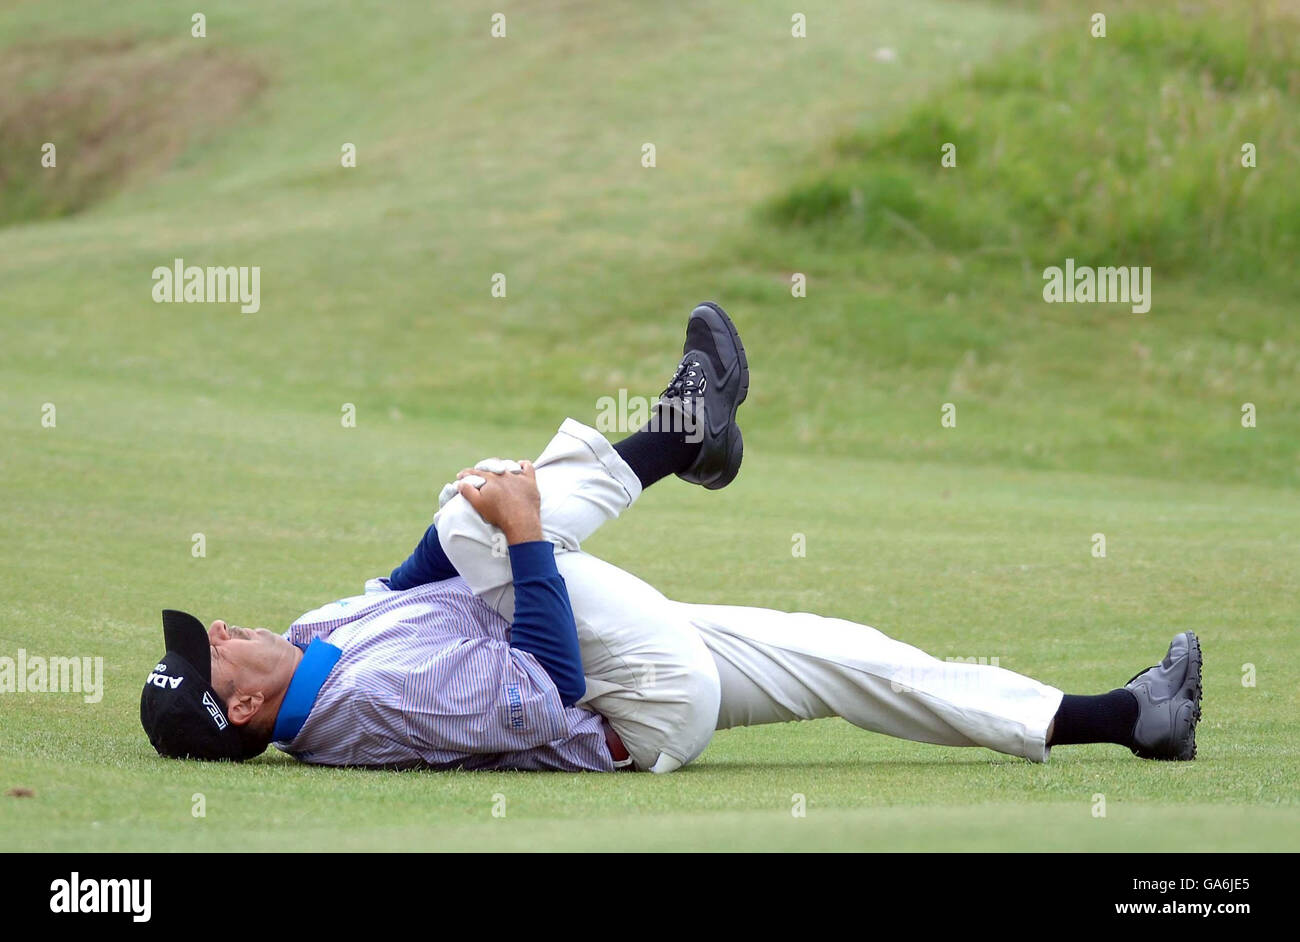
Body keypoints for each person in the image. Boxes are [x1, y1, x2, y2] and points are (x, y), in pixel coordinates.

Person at [140, 304, 1202, 772]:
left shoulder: (319, 634)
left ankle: (1125, 719)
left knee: (848, 653)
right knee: (474, 513)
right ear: (242, 706)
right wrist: (517, 537)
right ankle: (684, 433)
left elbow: (416, 576)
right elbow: (547, 685)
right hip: (630, 706)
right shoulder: (369, 708)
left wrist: (495, 534)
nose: (222, 625)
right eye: (213, 650)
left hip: (638, 668)